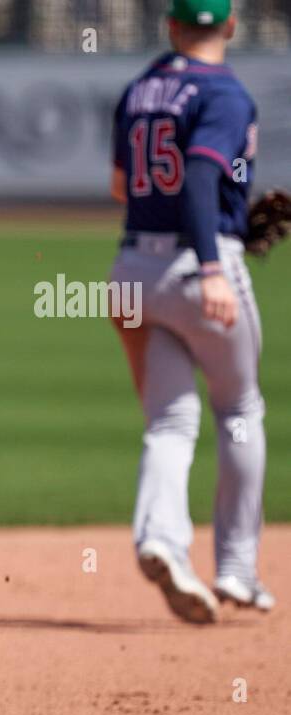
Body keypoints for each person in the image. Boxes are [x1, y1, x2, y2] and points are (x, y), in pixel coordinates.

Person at [109, 0, 272, 622]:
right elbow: (203, 177)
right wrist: (212, 261)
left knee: (170, 421)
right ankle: (235, 569)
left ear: (172, 25)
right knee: (240, 408)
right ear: (230, 24)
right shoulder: (225, 93)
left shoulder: (143, 86)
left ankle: (160, 539)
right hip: (197, 269)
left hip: (131, 271)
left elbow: (123, 186)